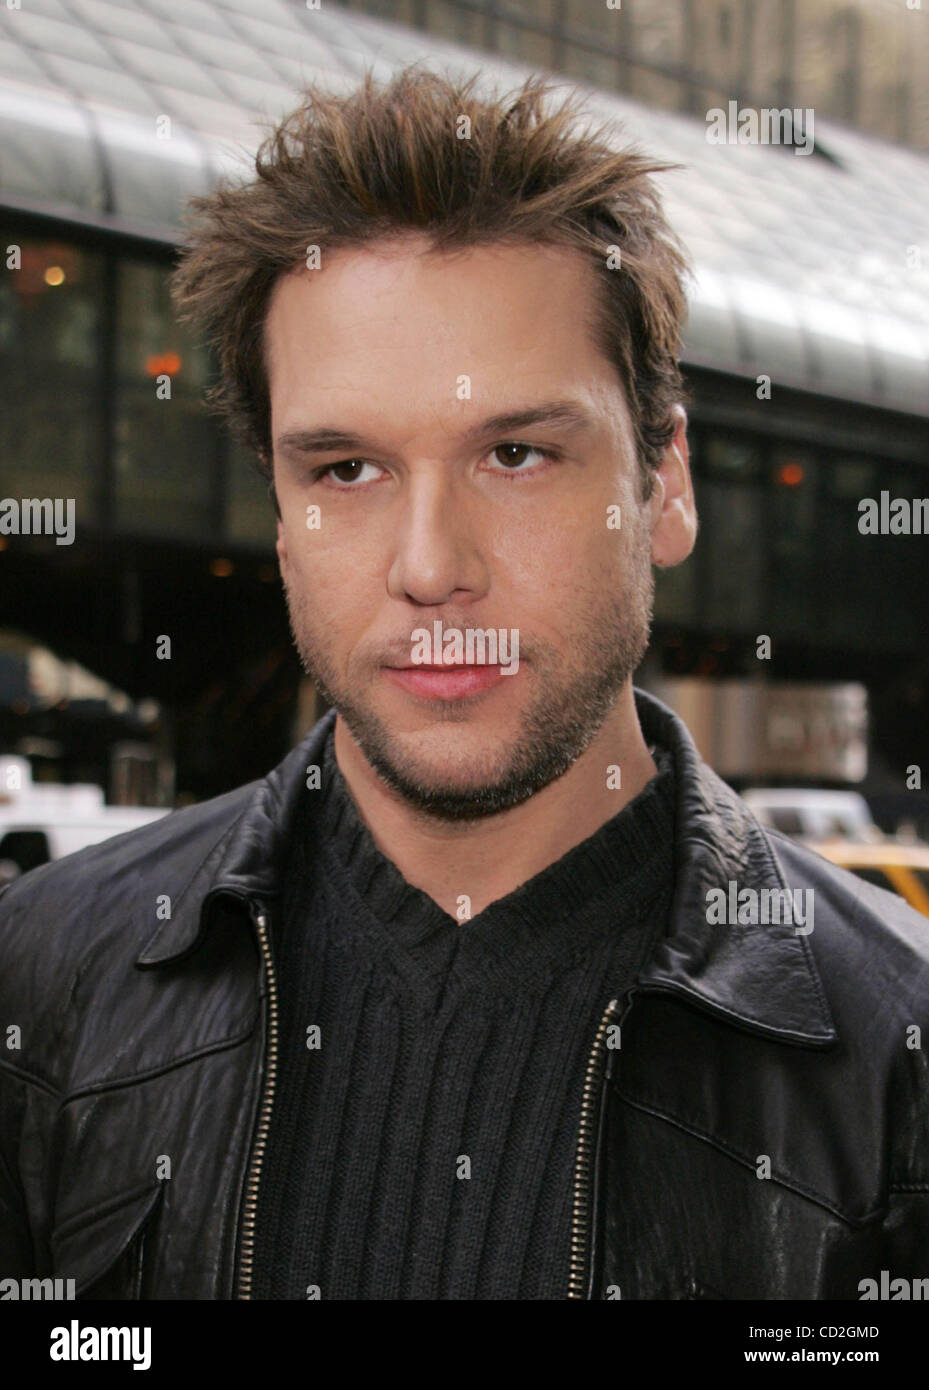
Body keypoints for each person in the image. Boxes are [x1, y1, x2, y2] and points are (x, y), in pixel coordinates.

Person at [1, 66, 927, 1302]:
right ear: (279, 516)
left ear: (663, 484)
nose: (430, 568)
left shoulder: (898, 1064)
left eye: (514, 453)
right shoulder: (45, 980)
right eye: (344, 470)